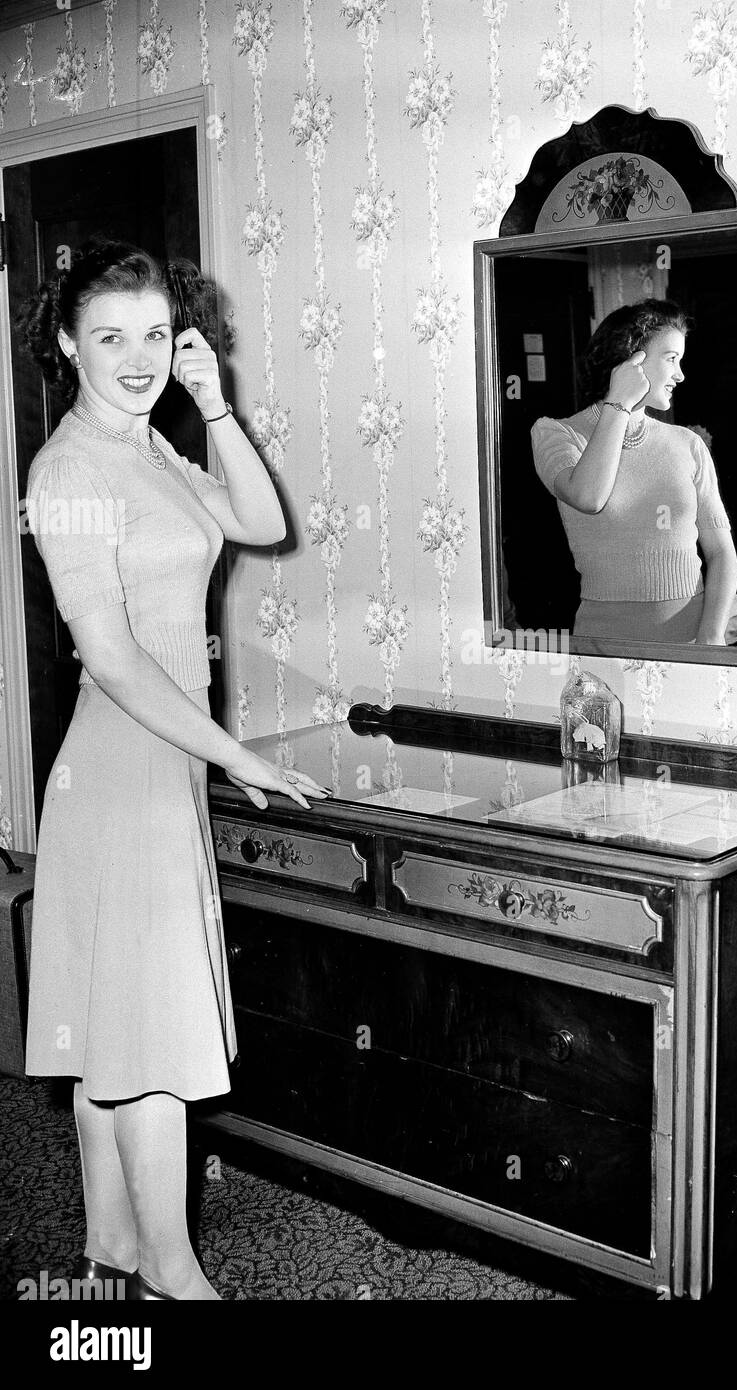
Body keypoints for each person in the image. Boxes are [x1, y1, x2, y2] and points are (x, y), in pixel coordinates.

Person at [17, 238, 329, 1301]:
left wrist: (215, 399)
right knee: (148, 1039)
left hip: (164, 766)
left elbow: (262, 521)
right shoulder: (64, 470)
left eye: (156, 332)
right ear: (66, 343)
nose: (138, 355)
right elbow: (107, 657)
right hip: (119, 770)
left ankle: (110, 1256)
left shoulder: (151, 447)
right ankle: (171, 1274)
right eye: (111, 336)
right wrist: (237, 754)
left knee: (121, 1022)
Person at [530, 298, 737, 649]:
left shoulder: (689, 444)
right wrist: (619, 403)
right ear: (631, 360)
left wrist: (710, 639)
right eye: (671, 359)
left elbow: (721, 554)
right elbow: (589, 497)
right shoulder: (556, 434)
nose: (680, 375)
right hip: (604, 650)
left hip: (692, 647)